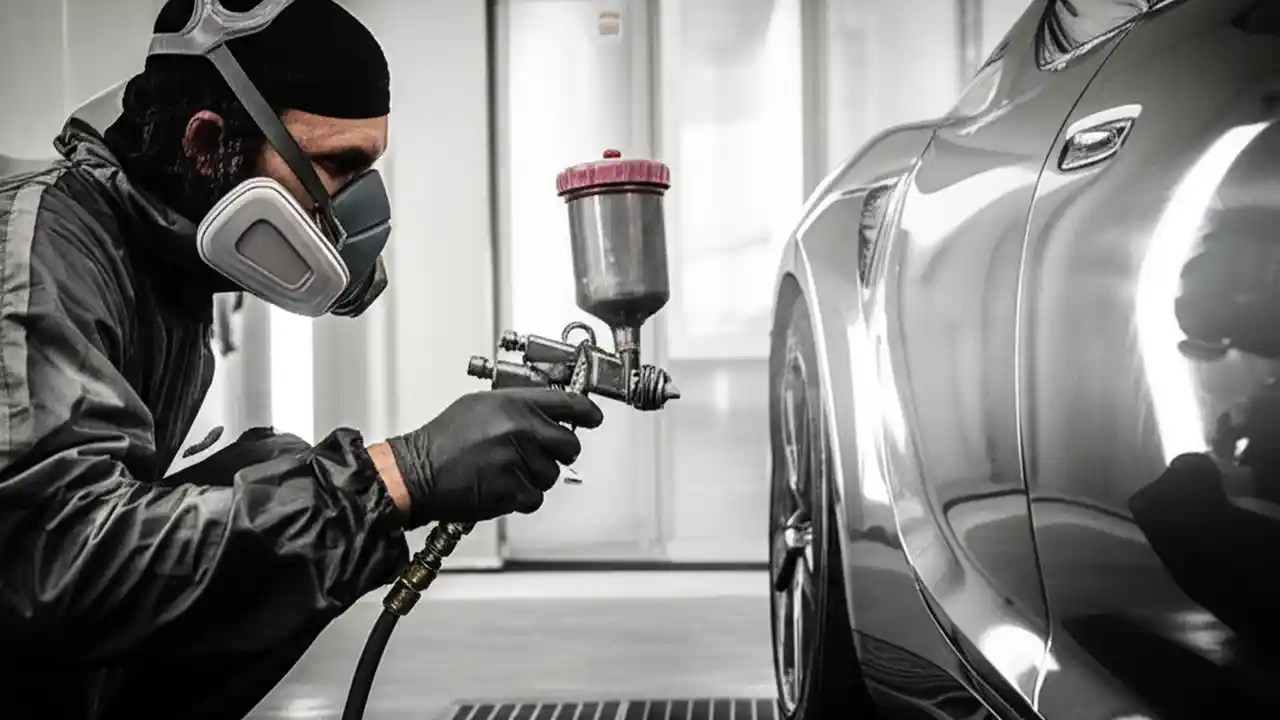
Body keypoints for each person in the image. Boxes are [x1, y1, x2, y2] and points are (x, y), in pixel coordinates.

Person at [0, 1, 602, 718]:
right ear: (205, 143)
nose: (354, 210)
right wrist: (393, 480)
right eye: (339, 167)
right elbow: (54, 560)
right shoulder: (44, 252)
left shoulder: (164, 266)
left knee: (271, 467)